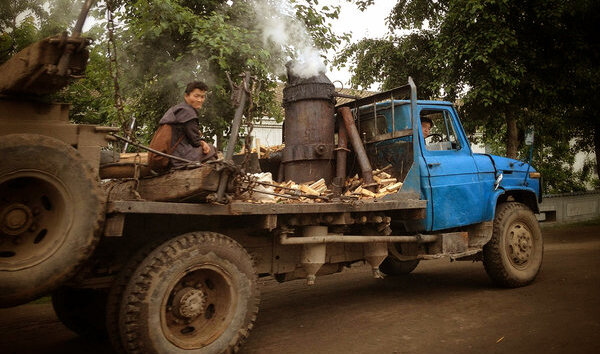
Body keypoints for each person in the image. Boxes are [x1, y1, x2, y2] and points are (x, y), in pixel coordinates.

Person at [157, 81, 216, 168]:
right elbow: (195, 141)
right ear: (186, 96)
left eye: (202, 97)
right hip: (179, 158)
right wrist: (203, 143)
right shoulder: (187, 112)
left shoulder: (178, 109)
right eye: (196, 96)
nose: (199, 100)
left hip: (172, 154)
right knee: (212, 149)